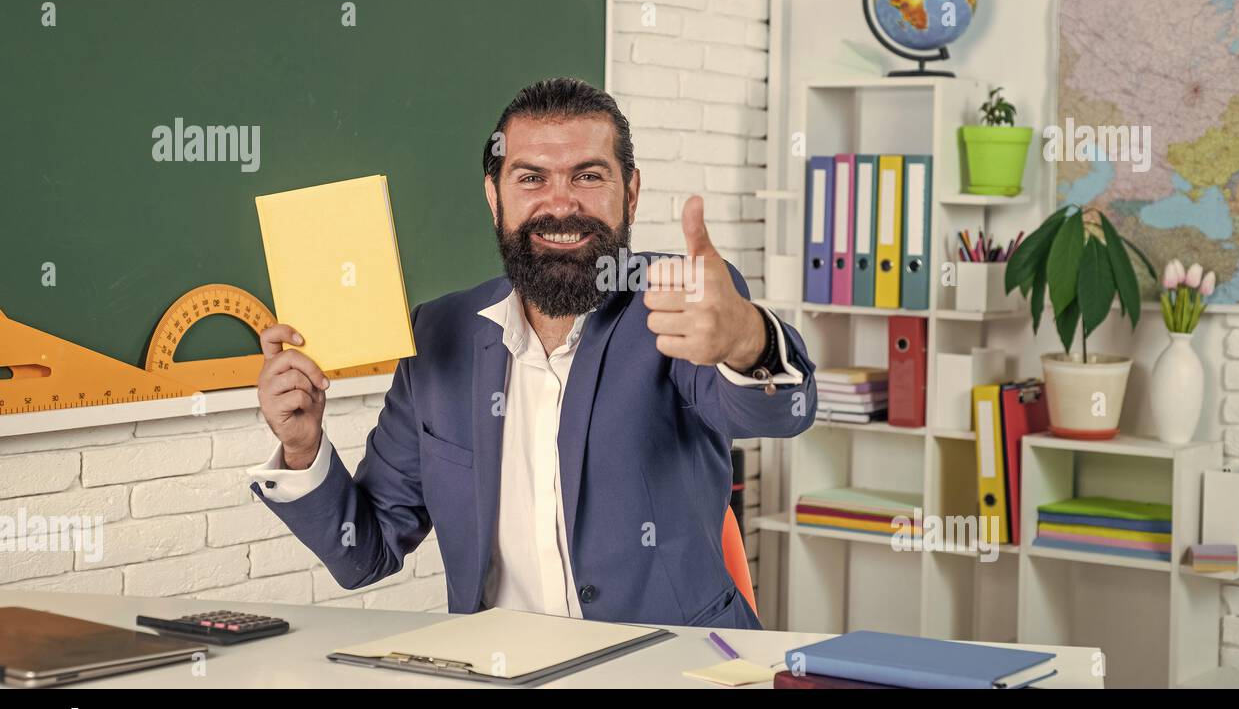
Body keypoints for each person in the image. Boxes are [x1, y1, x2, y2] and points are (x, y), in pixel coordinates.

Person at [248, 77, 815, 629]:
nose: (561, 203)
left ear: (632, 193)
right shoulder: (438, 334)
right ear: (495, 197)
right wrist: (302, 447)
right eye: (531, 178)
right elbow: (362, 555)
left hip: (670, 668)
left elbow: (777, 414)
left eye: (589, 176)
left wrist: (748, 341)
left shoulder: (680, 301)